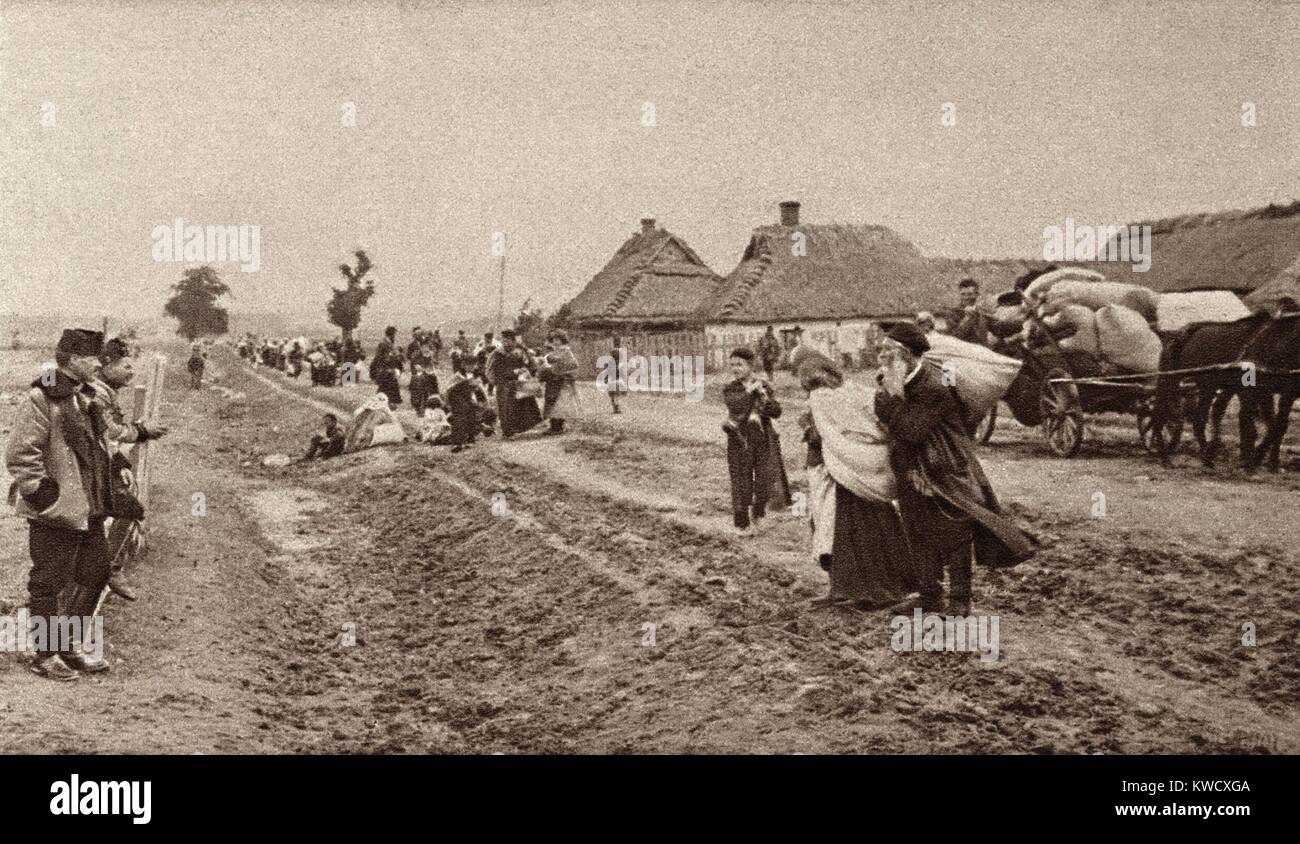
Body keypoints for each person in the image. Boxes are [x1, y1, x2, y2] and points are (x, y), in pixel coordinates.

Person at [873, 323, 1035, 615]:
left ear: (906, 355)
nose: (880, 355)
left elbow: (911, 431)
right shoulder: (901, 381)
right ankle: (929, 596)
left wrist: (887, 400)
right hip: (913, 471)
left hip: (944, 470)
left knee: (953, 531)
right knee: (917, 531)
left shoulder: (934, 386)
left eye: (887, 351)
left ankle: (960, 601)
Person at [5, 329, 117, 679]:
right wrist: (44, 496)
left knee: (95, 572)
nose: (99, 363)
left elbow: (99, 445)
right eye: (91, 357)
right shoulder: (42, 397)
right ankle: (44, 653)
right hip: (57, 507)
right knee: (48, 582)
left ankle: (69, 646)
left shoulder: (88, 396)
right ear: (70, 358)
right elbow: (22, 455)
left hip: (90, 506)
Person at [793, 347, 915, 609]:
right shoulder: (849, 392)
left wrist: (809, 429)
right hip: (845, 473)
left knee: (851, 533)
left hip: (846, 475)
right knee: (839, 532)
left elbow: (831, 435)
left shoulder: (824, 398)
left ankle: (874, 591)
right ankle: (844, 588)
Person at [92, 337, 167, 602]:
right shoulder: (97, 392)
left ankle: (105, 568)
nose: (131, 371)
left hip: (99, 462)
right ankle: (109, 568)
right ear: (106, 363)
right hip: (87, 466)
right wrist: (140, 431)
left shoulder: (105, 390)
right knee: (128, 508)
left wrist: (120, 462)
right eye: (126, 364)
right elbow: (108, 431)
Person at [722, 347, 791, 535]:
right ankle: (742, 523)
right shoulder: (731, 388)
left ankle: (758, 515)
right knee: (741, 480)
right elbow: (736, 408)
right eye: (732, 365)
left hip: (762, 437)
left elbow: (776, 411)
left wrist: (764, 396)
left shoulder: (764, 385)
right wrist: (750, 393)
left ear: (750, 366)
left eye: (740, 364)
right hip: (740, 439)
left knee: (764, 478)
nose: (735, 369)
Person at [488, 329, 543, 437]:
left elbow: (530, 364)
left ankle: (520, 428)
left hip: (519, 382)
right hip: (504, 383)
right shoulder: (498, 353)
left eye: (508, 341)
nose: (505, 343)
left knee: (522, 405)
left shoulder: (521, 350)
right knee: (506, 407)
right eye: (503, 341)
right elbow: (497, 370)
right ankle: (508, 432)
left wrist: (527, 371)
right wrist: (514, 372)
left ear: (513, 341)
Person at [540, 330, 580, 435]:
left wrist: (564, 371)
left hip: (562, 381)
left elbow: (574, 364)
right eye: (553, 340)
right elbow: (548, 363)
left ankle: (558, 426)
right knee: (551, 401)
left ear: (562, 340)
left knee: (560, 404)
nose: (555, 342)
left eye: (557, 340)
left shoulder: (566, 351)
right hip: (553, 381)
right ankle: (554, 425)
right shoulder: (554, 351)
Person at [445, 368, 492, 451]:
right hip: (456, 398)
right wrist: (449, 407)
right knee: (460, 418)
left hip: (468, 398)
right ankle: (458, 443)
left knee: (471, 416)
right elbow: (448, 392)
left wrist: (484, 404)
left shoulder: (475, 378)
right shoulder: (457, 378)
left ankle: (470, 439)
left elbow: (480, 392)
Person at [946, 278, 989, 345]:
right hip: (962, 352)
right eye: (963, 294)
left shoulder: (982, 311)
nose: (966, 298)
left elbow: (998, 328)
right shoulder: (952, 313)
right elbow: (954, 337)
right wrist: (968, 318)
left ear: (976, 294)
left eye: (969, 294)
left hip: (982, 351)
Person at [372, 326, 403, 407]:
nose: (395, 336)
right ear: (391, 334)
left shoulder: (389, 343)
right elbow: (379, 357)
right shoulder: (383, 344)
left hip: (390, 368)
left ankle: (387, 403)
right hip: (385, 369)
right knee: (385, 386)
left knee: (388, 386)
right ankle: (384, 403)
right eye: (394, 334)